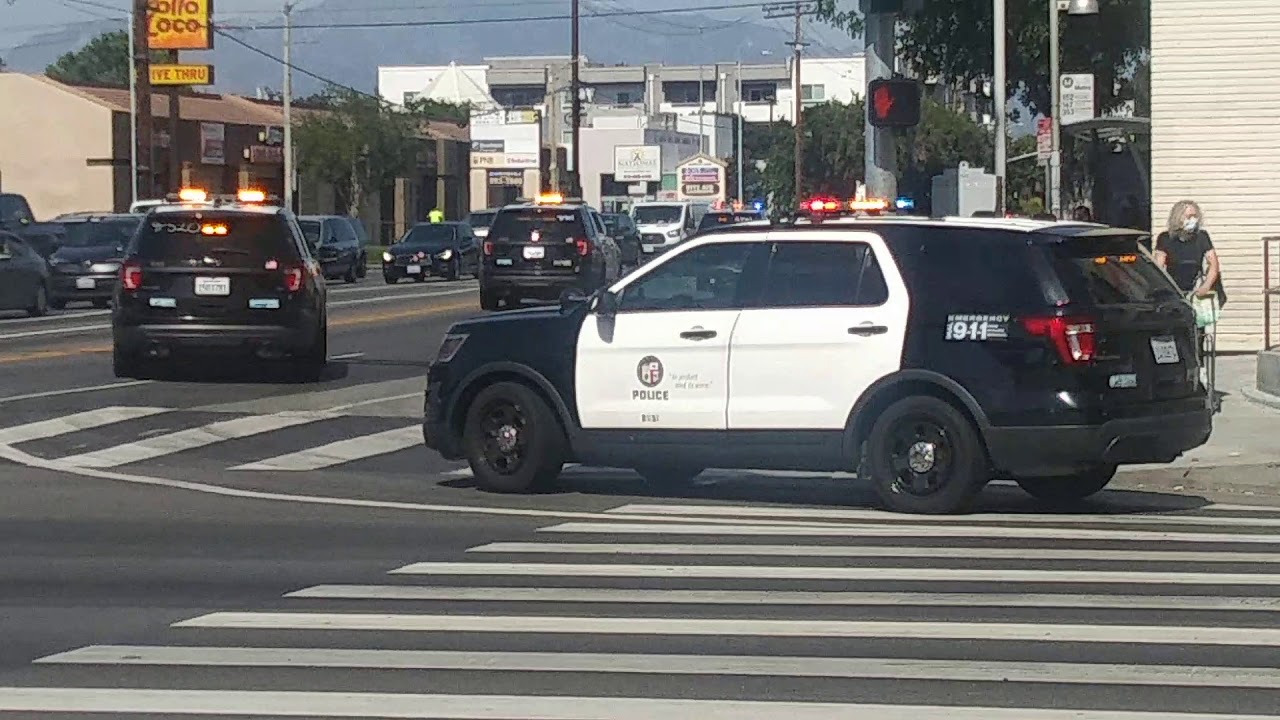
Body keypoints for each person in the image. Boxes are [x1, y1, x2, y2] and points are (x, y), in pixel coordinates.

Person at [1153, 200, 1222, 301]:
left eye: (1195, 216)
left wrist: (1206, 286)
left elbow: (1213, 264)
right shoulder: (1165, 238)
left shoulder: (1202, 237)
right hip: (1174, 290)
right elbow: (1159, 268)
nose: (1193, 220)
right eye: (1189, 217)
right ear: (1178, 218)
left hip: (1196, 288)